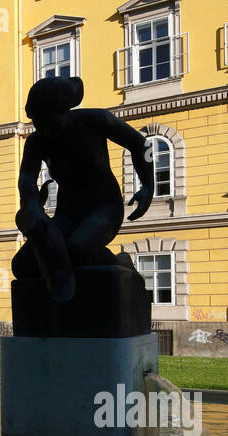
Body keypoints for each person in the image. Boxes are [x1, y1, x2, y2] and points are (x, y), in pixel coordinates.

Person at [12, 76, 154, 302]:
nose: (43, 129)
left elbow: (142, 144)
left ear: (64, 111)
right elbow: (26, 179)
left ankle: (121, 264)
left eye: (49, 121)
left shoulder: (95, 119)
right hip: (68, 213)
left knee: (78, 249)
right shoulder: (36, 141)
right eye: (37, 122)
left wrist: (148, 185)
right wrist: (32, 207)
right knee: (24, 265)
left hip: (104, 207)